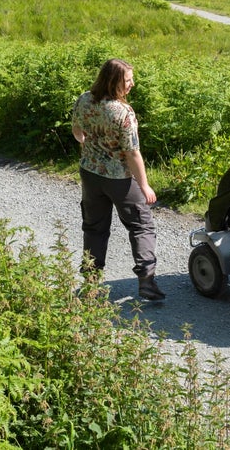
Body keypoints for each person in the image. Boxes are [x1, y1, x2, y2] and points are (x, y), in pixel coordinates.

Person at [71, 58, 165, 301]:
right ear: (114, 82)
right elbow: (133, 152)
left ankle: (91, 283)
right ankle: (146, 282)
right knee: (141, 225)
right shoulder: (123, 112)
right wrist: (144, 185)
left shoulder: (84, 99)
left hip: (90, 174)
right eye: (128, 80)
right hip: (119, 178)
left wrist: (91, 147)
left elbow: (77, 132)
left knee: (94, 227)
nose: (132, 84)